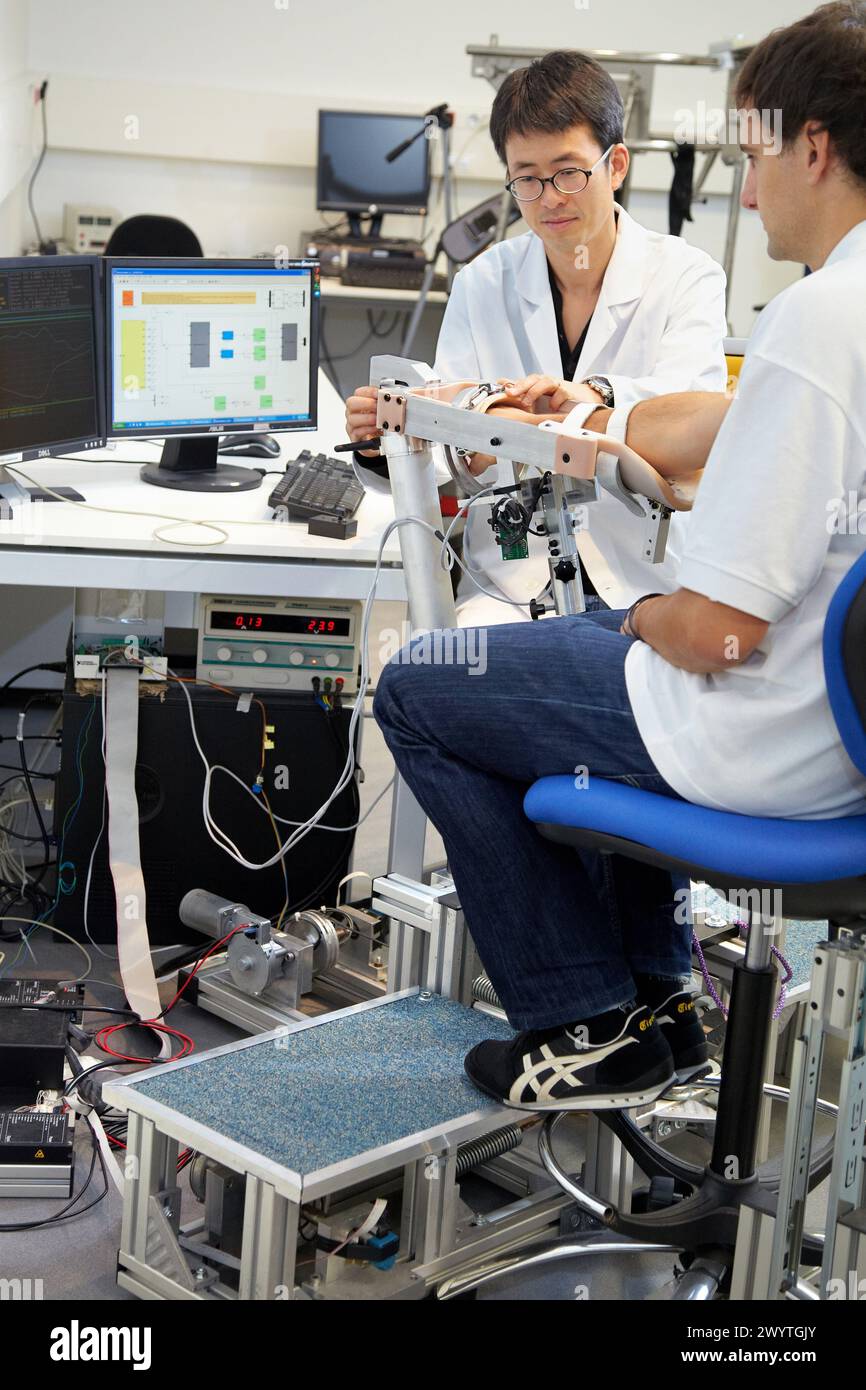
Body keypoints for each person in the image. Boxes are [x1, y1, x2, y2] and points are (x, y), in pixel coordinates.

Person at [374, 2, 866, 1111]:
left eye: (752, 157)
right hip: (835, 726)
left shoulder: (815, 318)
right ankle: (655, 1002)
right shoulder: (841, 313)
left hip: (743, 719)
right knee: (554, 662)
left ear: (813, 148)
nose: (745, 190)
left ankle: (578, 1018)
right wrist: (594, 414)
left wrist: (636, 621)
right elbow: (716, 423)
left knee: (417, 683)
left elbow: (711, 629)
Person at [346, 49, 727, 623]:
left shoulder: (685, 276)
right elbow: (451, 450)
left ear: (616, 164)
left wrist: (589, 395)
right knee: (438, 679)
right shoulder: (482, 282)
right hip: (513, 575)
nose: (549, 197)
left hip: (644, 582)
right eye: (526, 178)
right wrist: (385, 439)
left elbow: (689, 428)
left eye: (569, 172)